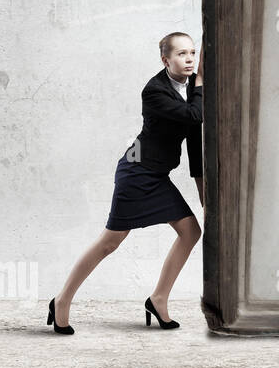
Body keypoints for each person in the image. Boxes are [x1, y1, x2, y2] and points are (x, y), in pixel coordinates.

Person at [48, 32, 205, 333]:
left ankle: (158, 299)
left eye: (193, 53)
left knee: (190, 232)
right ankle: (62, 301)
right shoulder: (155, 91)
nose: (189, 60)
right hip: (136, 173)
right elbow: (194, 116)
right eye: (182, 54)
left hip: (157, 176)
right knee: (110, 243)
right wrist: (200, 82)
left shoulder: (188, 90)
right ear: (165, 59)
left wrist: (202, 189)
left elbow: (194, 142)